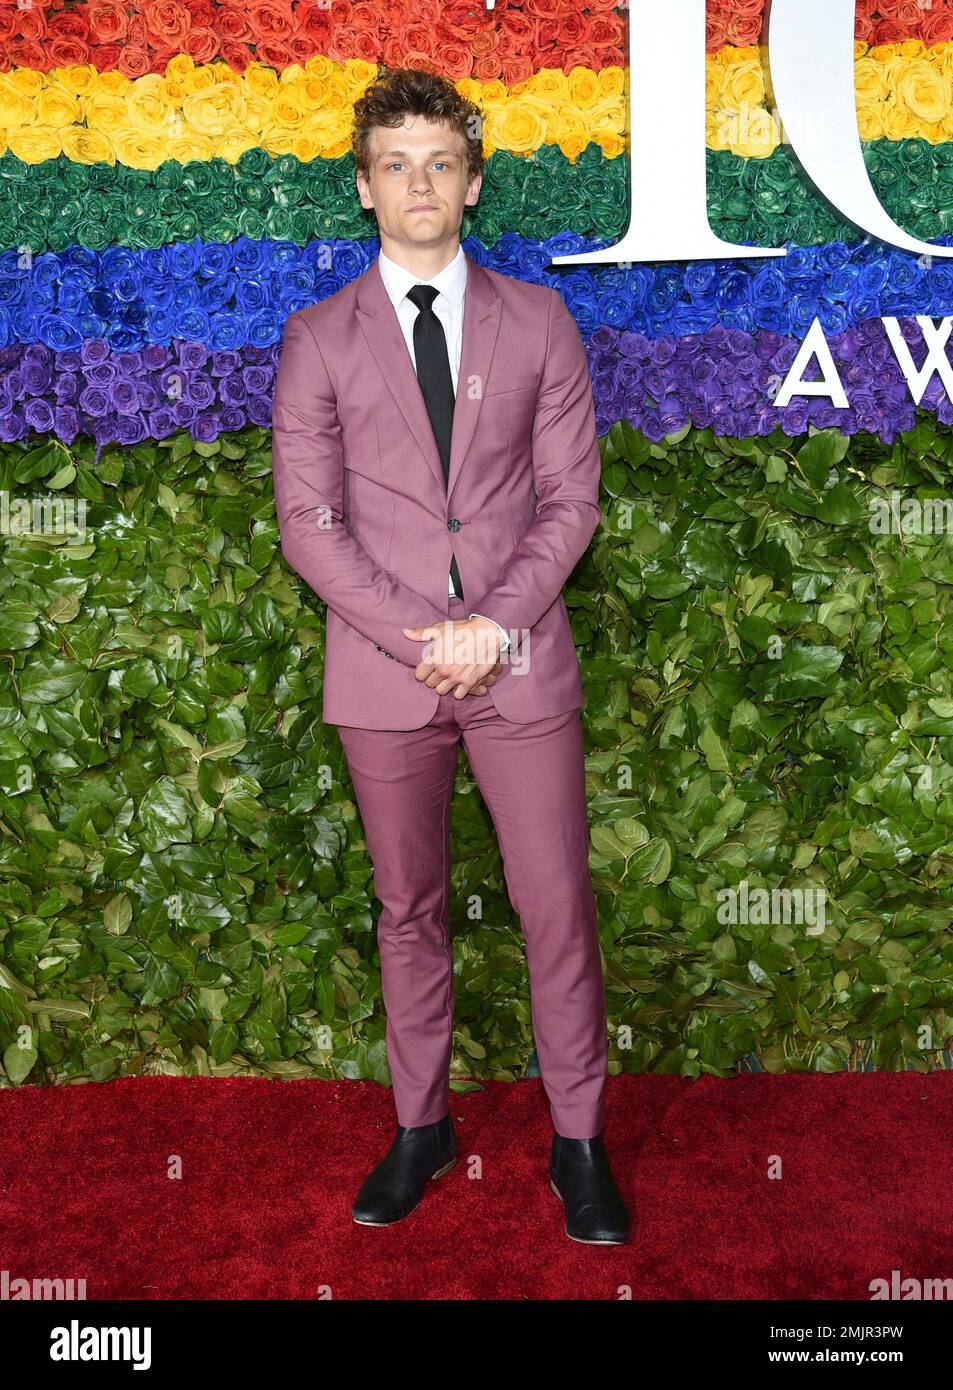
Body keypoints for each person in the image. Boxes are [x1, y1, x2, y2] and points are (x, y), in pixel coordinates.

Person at [271, 65, 629, 1245]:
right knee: (408, 908)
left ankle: (577, 1140)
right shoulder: (317, 339)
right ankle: (421, 1126)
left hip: (520, 665)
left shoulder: (540, 322)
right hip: (385, 676)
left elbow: (568, 502)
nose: (417, 182)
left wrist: (495, 627)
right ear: (363, 189)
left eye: (439, 161)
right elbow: (308, 526)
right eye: (394, 164)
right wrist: (425, 637)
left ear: (471, 183)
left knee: (552, 905)